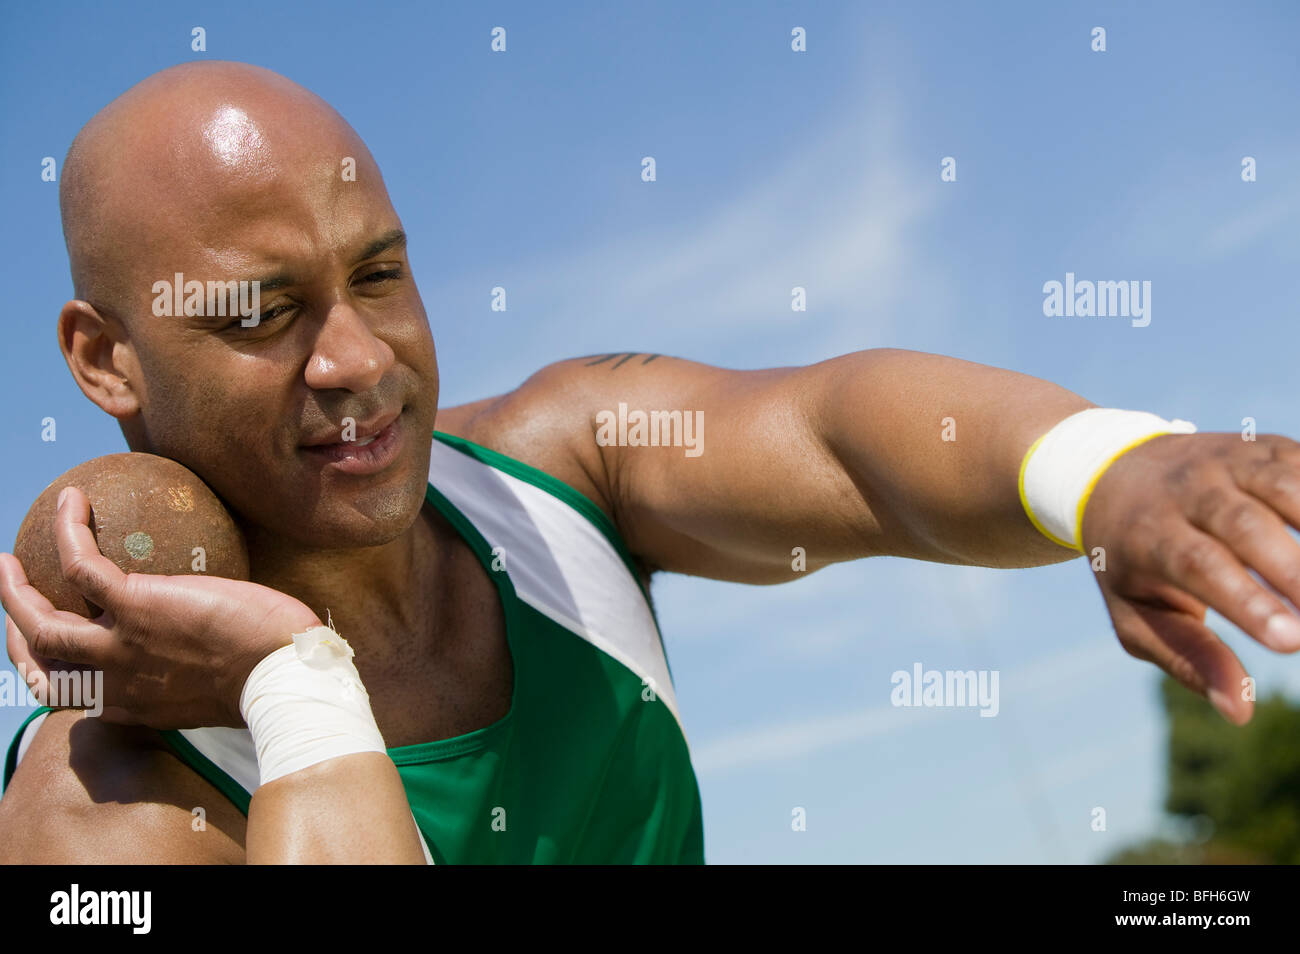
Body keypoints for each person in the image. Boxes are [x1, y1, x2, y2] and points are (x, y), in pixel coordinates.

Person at [3, 61, 1299, 864]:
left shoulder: (559, 464)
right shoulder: (98, 807)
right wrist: (299, 691)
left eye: (381, 274)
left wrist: (1110, 470)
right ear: (106, 360)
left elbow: (838, 436)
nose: (356, 359)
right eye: (262, 312)